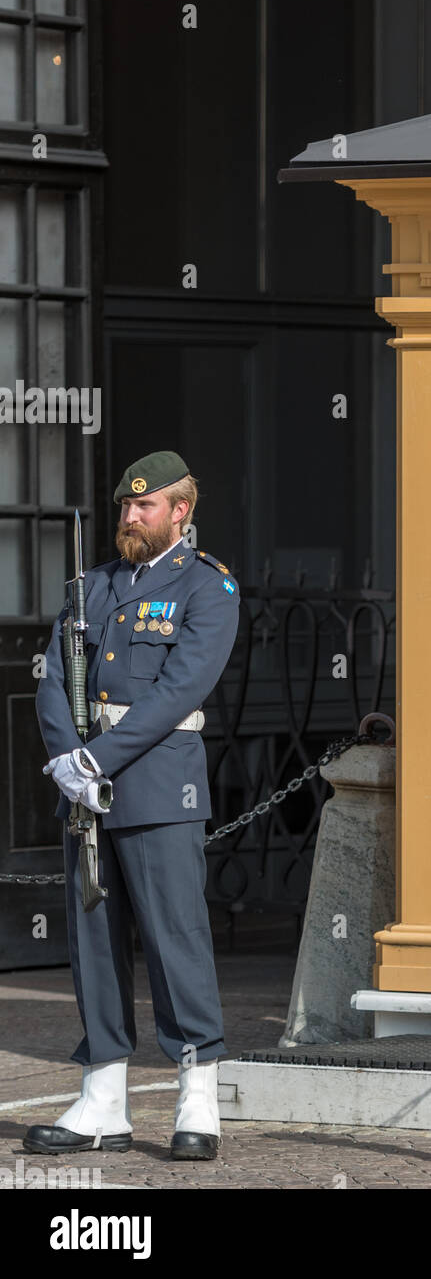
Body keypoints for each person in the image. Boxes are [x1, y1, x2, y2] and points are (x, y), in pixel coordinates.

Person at [24, 450, 240, 1162]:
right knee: (93, 946)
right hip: (84, 790)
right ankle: (103, 1099)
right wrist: (65, 759)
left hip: (156, 785)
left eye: (143, 507)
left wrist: (97, 759)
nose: (129, 517)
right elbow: (55, 673)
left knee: (176, 942)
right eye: (124, 507)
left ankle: (198, 1096)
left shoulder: (208, 589)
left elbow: (180, 689)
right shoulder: (95, 585)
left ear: (180, 510)